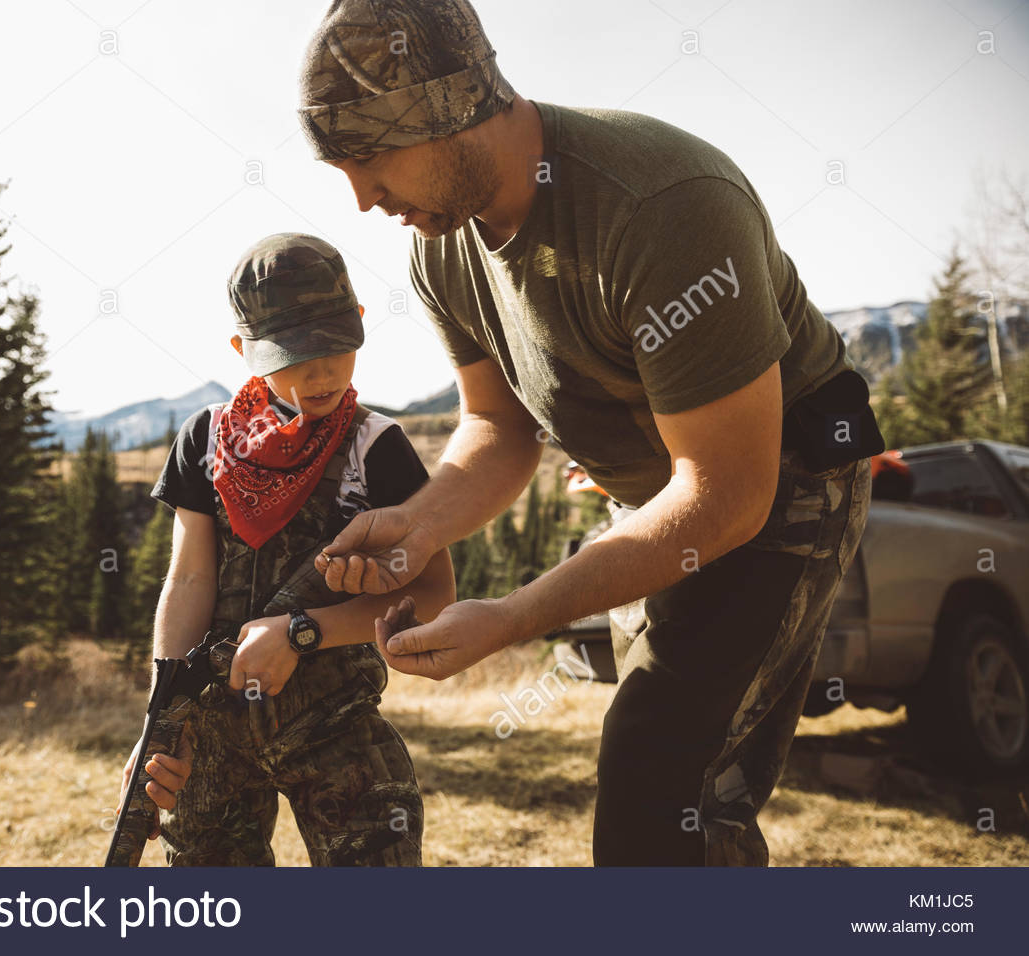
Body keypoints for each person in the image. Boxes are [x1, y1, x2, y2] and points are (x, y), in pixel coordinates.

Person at [297, 0, 883, 865]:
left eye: (372, 157)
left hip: (783, 480)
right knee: (652, 771)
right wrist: (418, 525)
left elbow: (726, 495)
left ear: (453, 104)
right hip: (660, 501)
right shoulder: (442, 248)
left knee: (663, 788)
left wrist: (514, 616)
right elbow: (498, 426)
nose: (361, 200)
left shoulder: (663, 205)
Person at [118, 232, 453, 866]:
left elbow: (433, 595)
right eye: (294, 354)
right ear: (244, 350)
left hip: (337, 728)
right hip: (210, 737)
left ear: (358, 322)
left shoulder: (376, 447)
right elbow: (188, 583)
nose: (321, 372)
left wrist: (300, 632)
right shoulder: (205, 438)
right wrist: (162, 724)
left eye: (334, 345)